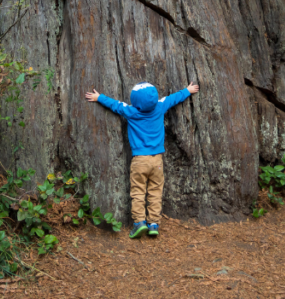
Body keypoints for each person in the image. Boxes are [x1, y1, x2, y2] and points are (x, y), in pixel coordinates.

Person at [85, 80, 199, 238]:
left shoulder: (131, 112)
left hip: (140, 160)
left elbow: (116, 105)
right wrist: (188, 90)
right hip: (157, 160)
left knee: (138, 192)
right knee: (155, 192)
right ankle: (153, 224)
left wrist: (99, 97)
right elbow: (173, 98)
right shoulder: (160, 107)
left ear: (136, 102)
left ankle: (139, 223)